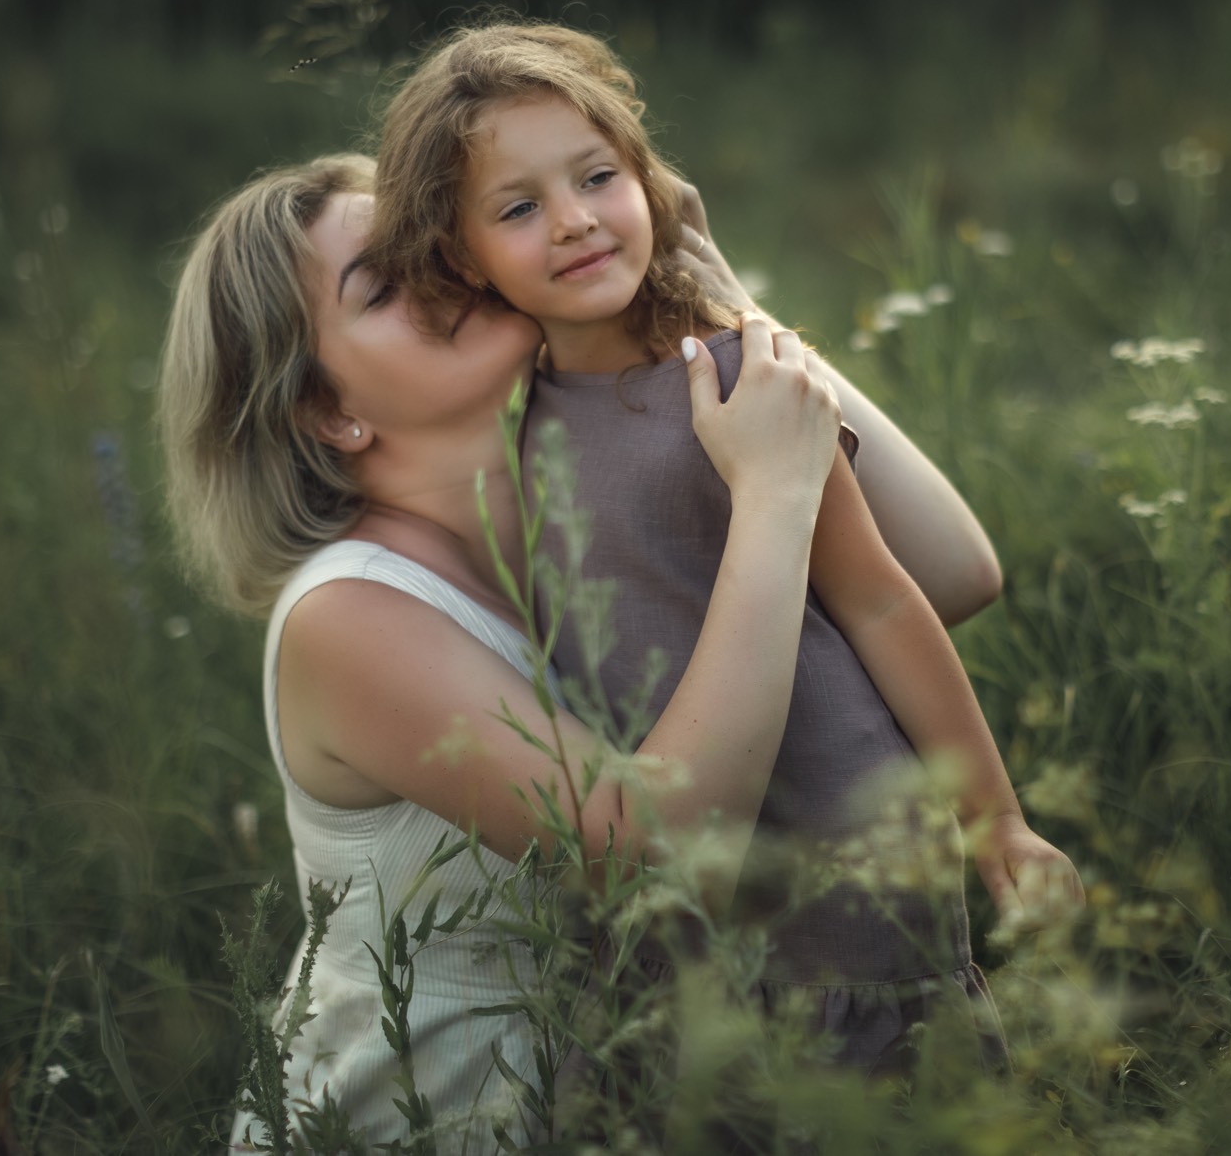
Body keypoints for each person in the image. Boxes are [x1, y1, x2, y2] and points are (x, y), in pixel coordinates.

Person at [158, 154, 1011, 1150]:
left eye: (430, 246)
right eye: (386, 287)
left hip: (636, 1095)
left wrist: (724, 308)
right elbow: (646, 851)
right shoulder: (348, 615)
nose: (444, 276)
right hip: (444, 1120)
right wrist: (774, 503)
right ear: (328, 412)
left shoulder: (571, 491)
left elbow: (948, 575)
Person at [363, 22, 1085, 1084]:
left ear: (650, 184)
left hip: (849, 876)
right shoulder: (507, 417)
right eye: (518, 208)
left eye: (598, 177)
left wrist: (1000, 823)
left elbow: (881, 600)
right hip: (678, 913)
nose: (572, 221)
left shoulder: (736, 374)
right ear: (462, 256)